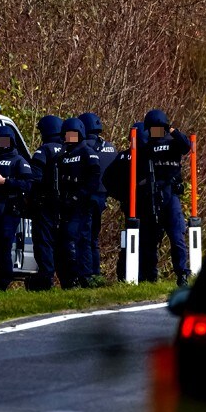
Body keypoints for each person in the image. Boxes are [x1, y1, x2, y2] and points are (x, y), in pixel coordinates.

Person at [138, 108, 192, 286]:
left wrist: (172, 130)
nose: (155, 132)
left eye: (158, 128)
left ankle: (182, 273)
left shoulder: (174, 142)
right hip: (154, 196)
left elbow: (186, 146)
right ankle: (151, 277)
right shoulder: (146, 148)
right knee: (151, 240)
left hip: (171, 196)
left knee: (177, 237)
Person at [0, 124, 34, 290]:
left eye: (5, 140)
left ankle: (2, 284)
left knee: (4, 247)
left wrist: (5, 182)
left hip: (9, 210)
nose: (2, 144)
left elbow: (27, 185)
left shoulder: (19, 161)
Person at [54, 117, 100, 289]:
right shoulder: (63, 154)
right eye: (67, 134)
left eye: (73, 134)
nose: (70, 137)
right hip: (65, 203)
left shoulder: (88, 152)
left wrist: (79, 196)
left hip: (82, 204)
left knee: (80, 239)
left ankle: (84, 276)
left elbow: (93, 179)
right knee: (66, 240)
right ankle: (70, 278)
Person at [102, 121, 146, 280]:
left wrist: (122, 195)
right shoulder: (148, 156)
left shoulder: (121, 156)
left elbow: (107, 180)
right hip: (145, 207)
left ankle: (124, 274)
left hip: (129, 206)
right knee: (145, 242)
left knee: (129, 241)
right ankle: (142, 275)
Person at [77, 112, 117, 286]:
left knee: (83, 236)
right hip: (102, 197)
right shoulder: (110, 148)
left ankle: (86, 275)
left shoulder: (82, 147)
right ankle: (96, 273)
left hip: (85, 197)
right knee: (94, 238)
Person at [25, 114, 64, 291]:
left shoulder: (44, 150)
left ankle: (46, 280)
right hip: (66, 205)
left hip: (46, 205)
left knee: (44, 243)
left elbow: (34, 178)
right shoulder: (69, 149)